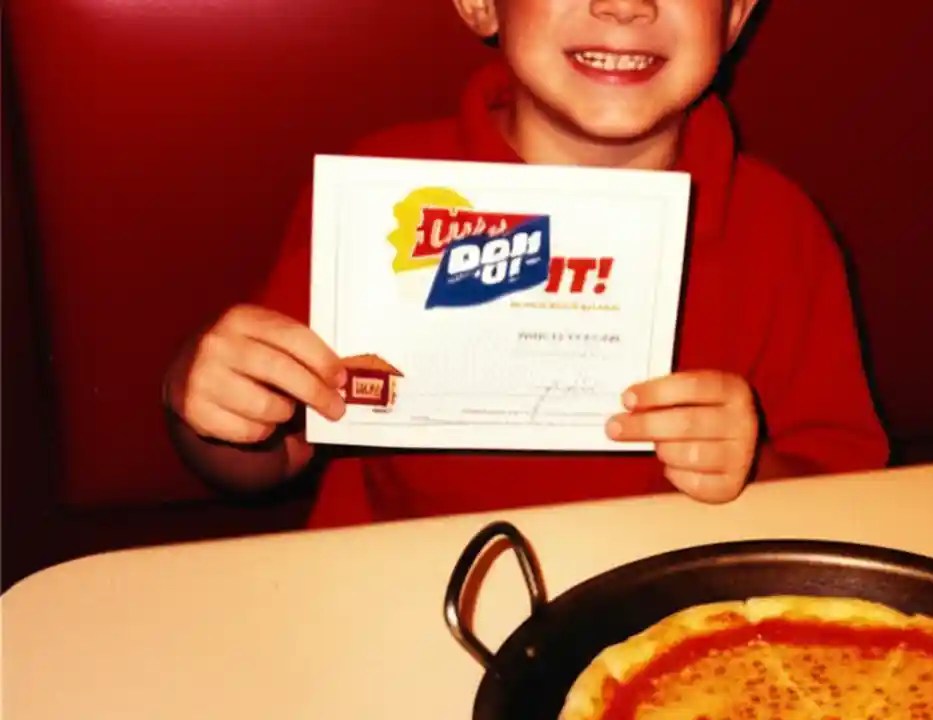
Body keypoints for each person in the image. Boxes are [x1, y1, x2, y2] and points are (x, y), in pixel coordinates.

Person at [161, 0, 889, 528]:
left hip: (669, 616)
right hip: (395, 593)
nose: (625, 6)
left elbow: (848, 490)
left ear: (733, 18)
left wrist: (750, 466)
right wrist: (214, 407)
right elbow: (269, 454)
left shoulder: (781, 226)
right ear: (481, 4)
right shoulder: (382, 190)